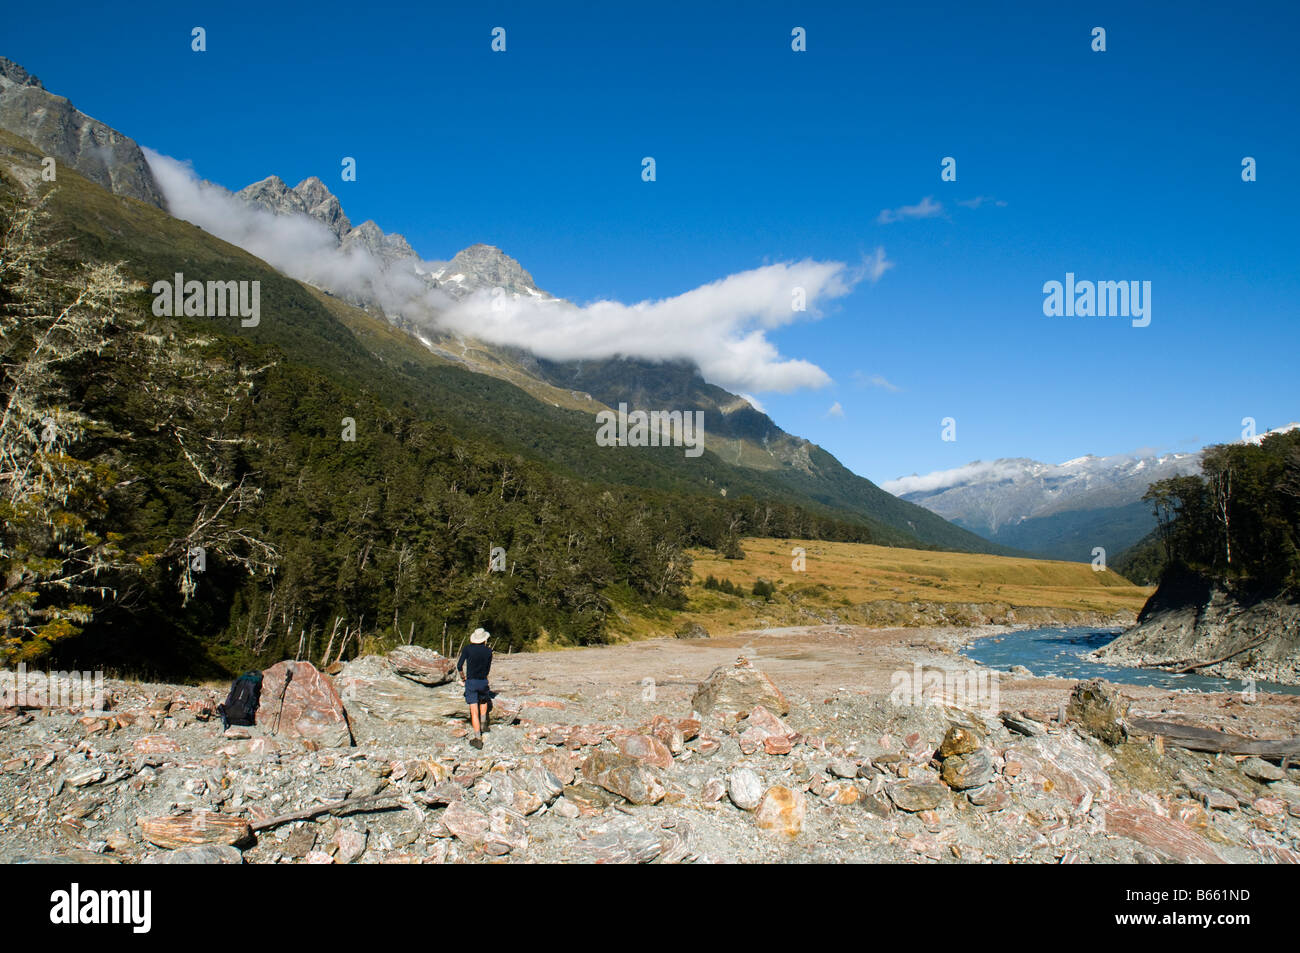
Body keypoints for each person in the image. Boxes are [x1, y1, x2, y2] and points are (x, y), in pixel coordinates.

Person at [457, 627, 493, 748]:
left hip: (471, 681)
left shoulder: (467, 649)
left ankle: (478, 738)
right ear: (484, 640)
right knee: (483, 700)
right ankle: (484, 724)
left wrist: (463, 678)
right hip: (483, 680)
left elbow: (459, 665)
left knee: (474, 710)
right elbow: (488, 669)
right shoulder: (488, 651)